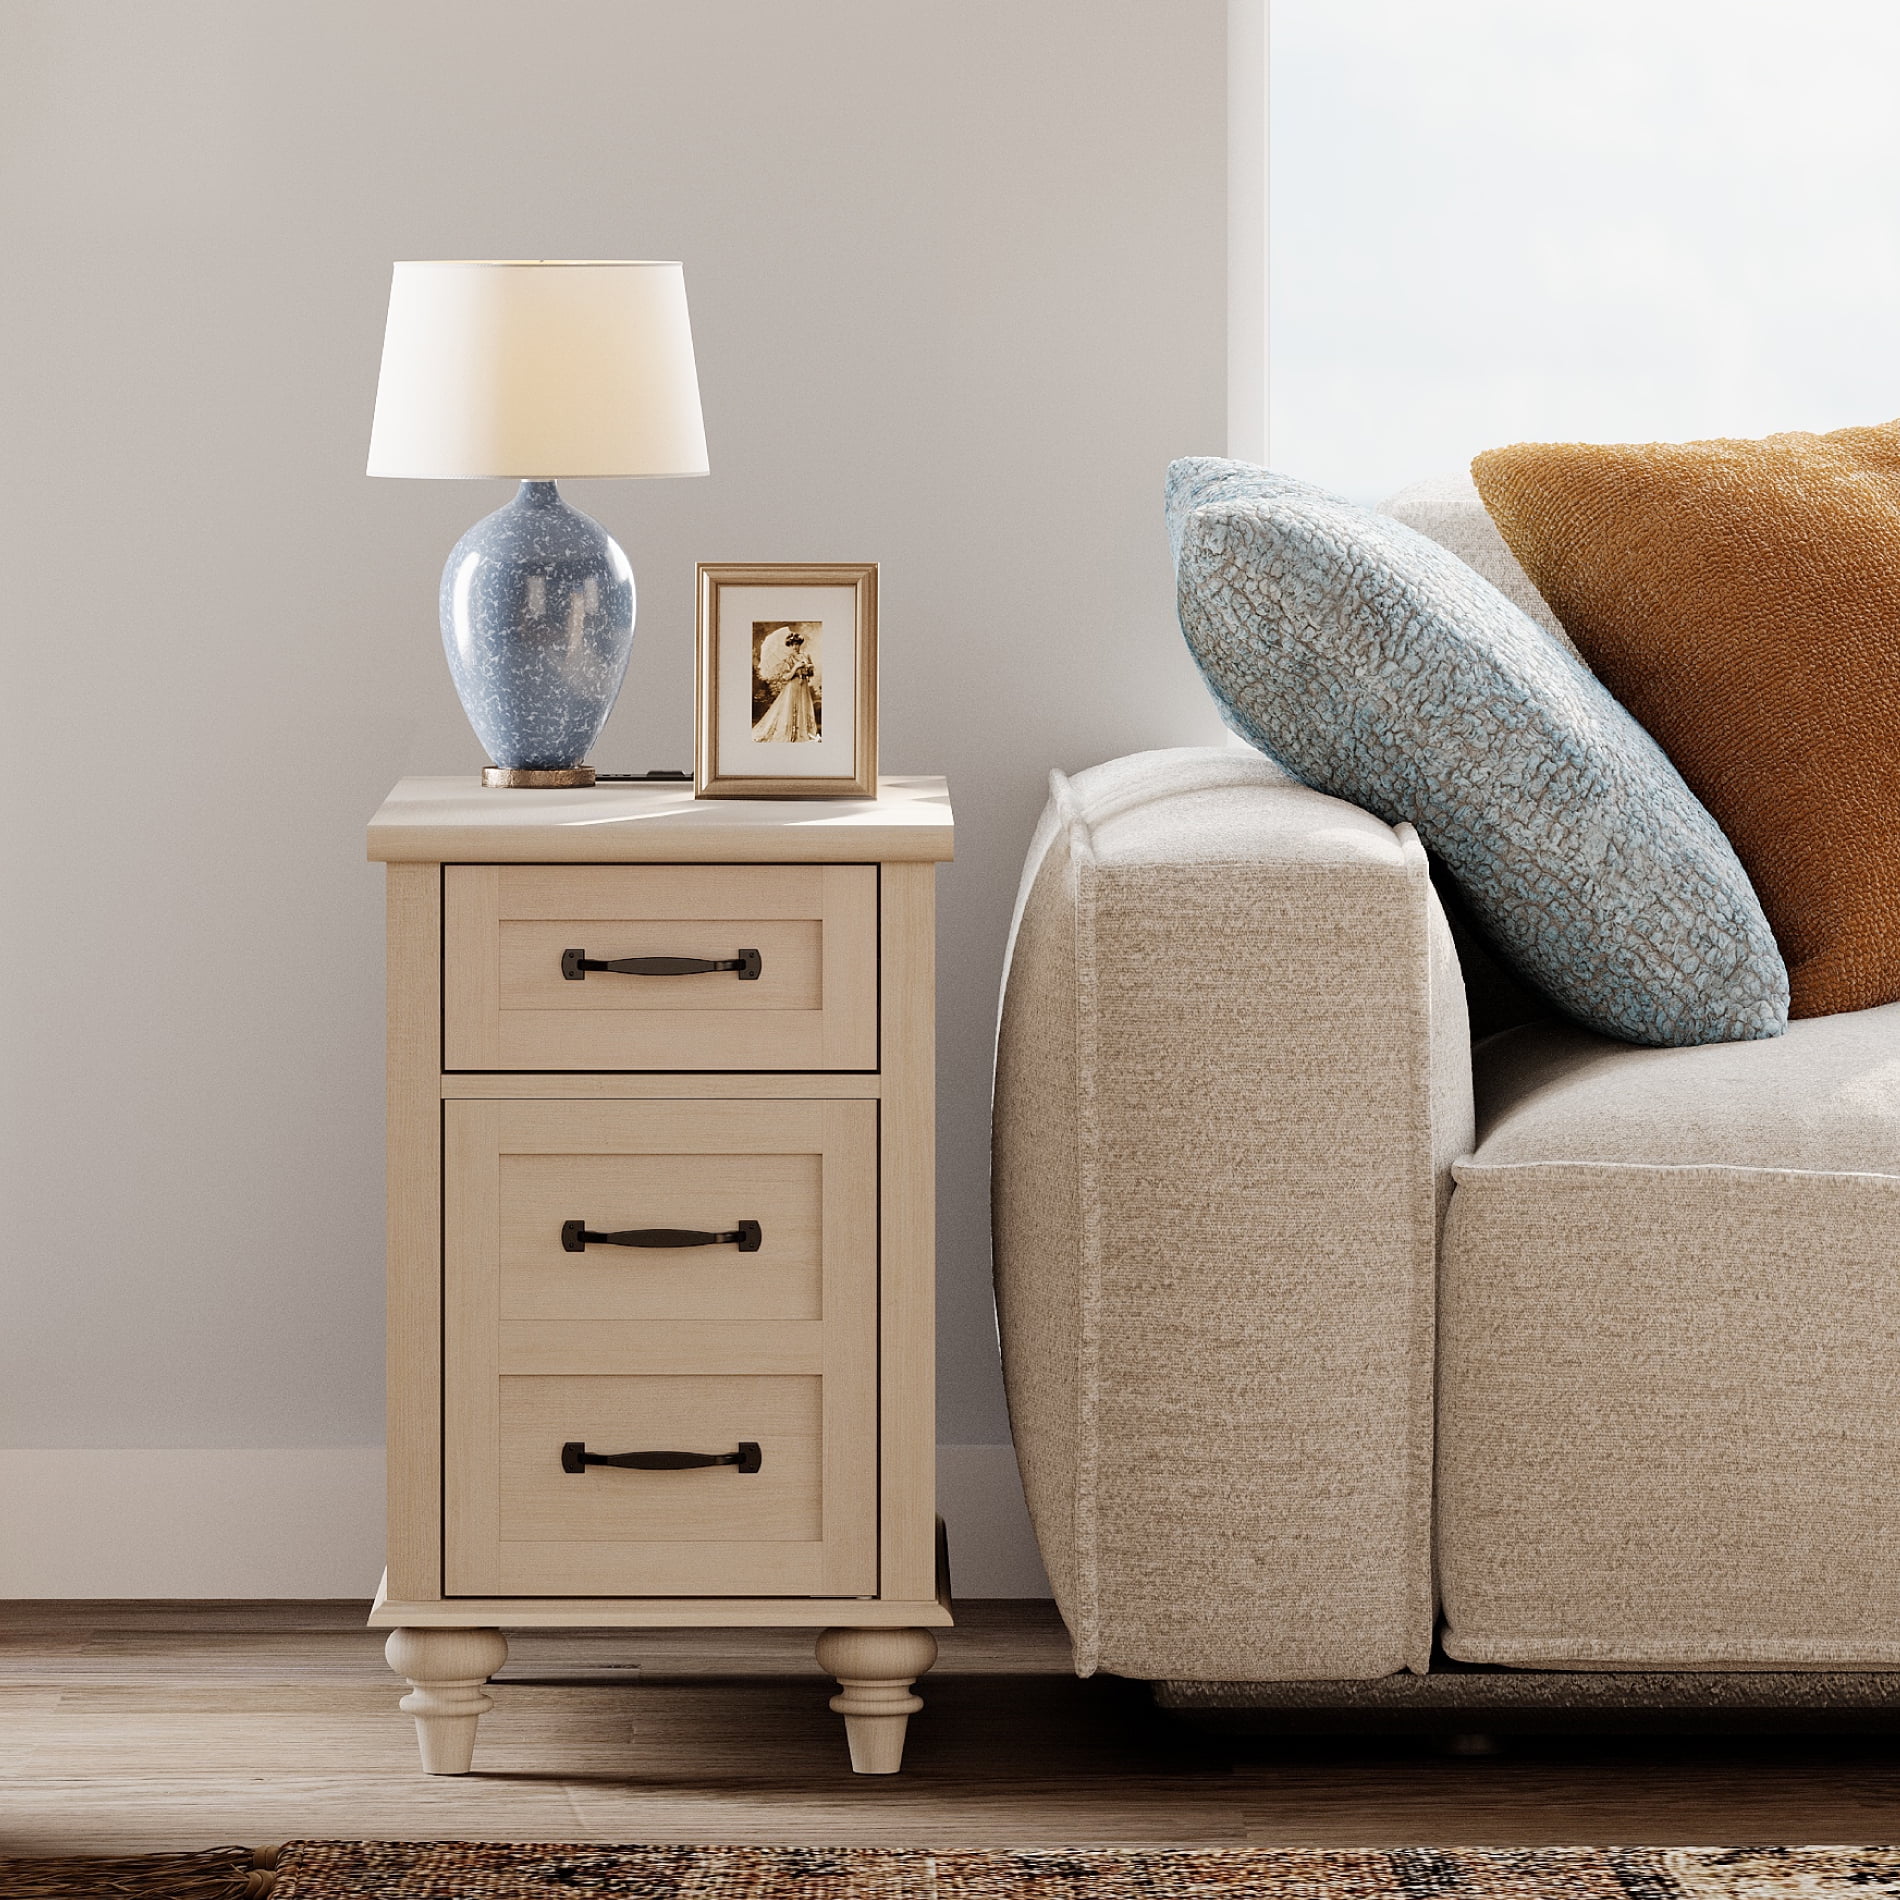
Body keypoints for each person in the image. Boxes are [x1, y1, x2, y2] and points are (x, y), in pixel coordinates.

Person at [752, 625, 821, 743]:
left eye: (797, 644)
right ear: (789, 645)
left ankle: (804, 731)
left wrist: (809, 668)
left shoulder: (806, 656)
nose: (795, 647)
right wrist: (795, 667)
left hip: (803, 686)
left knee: (803, 707)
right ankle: (792, 732)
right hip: (792, 686)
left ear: (800, 644)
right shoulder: (788, 659)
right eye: (792, 644)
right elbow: (786, 677)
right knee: (791, 708)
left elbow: (811, 674)